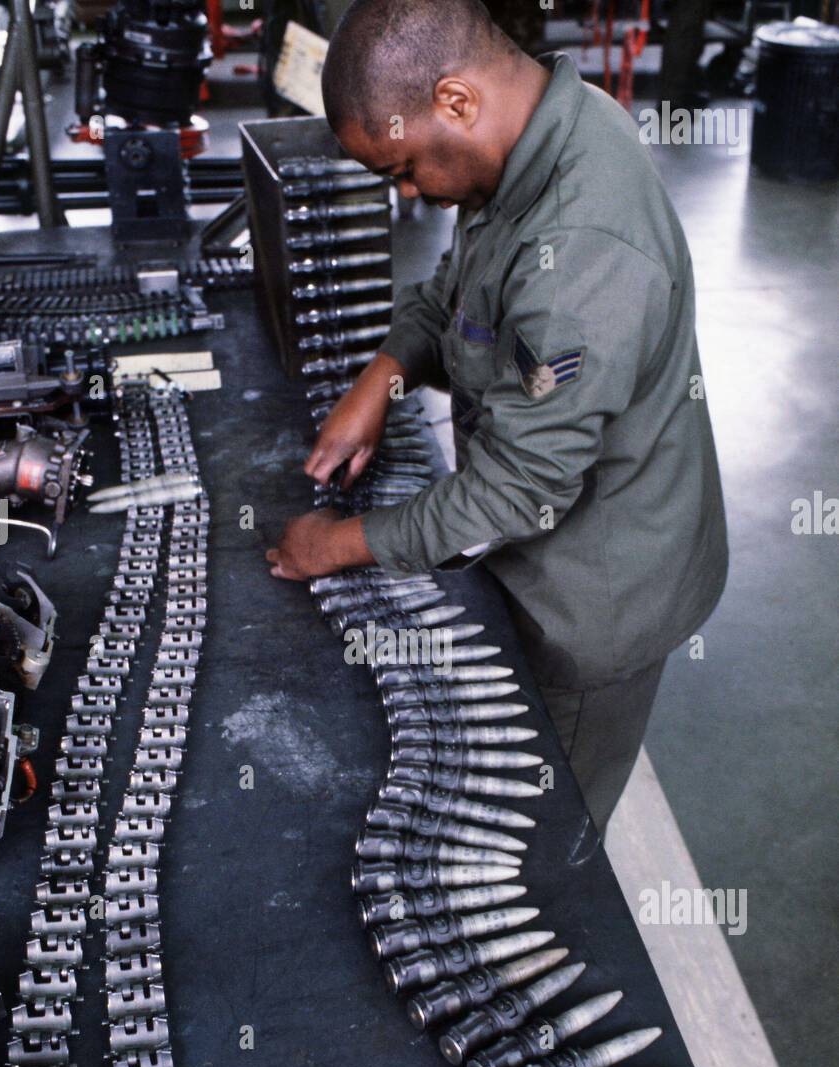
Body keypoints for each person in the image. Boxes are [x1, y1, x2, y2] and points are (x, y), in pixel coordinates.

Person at [266, 0, 728, 833]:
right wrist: (385, 374)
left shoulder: (580, 248)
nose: (408, 192)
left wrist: (330, 546)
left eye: (401, 169)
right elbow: (457, 292)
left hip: (598, 600)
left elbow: (516, 493)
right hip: (551, 538)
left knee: (538, 834)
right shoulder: (533, 134)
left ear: (454, 101)